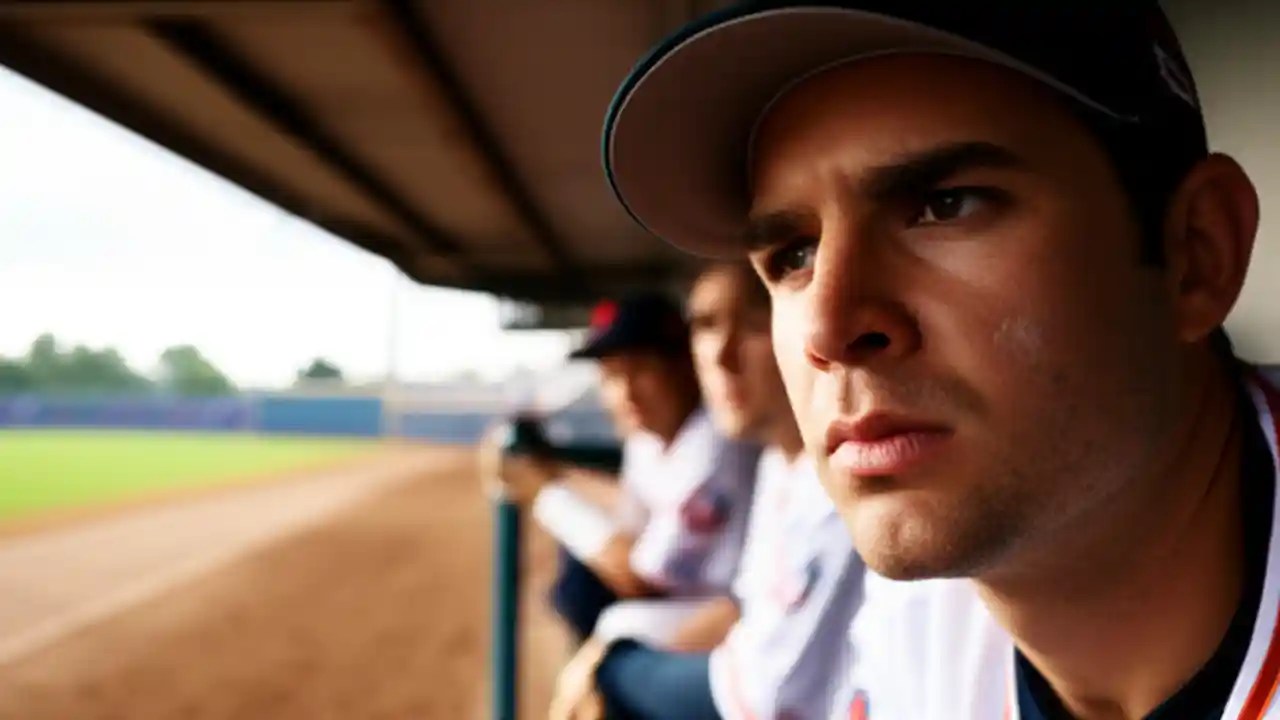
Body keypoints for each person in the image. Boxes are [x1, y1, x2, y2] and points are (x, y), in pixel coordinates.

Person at [602, 2, 1273, 718]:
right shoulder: (913, 618)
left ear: (1195, 256)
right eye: (793, 255)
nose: (827, 328)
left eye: (946, 205)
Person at [550, 263, 863, 720]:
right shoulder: (777, 460)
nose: (721, 354)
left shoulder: (838, 474)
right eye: (706, 326)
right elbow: (741, 611)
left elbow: (765, 698)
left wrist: (610, 665)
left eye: (754, 322)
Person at [485, 291, 759, 643]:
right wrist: (556, 476)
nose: (627, 392)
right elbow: (632, 526)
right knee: (580, 582)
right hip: (697, 607)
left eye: (641, 370)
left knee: (612, 630)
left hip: (738, 621)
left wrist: (546, 495)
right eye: (612, 375)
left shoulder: (716, 441)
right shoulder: (648, 439)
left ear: (685, 367)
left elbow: (642, 579)